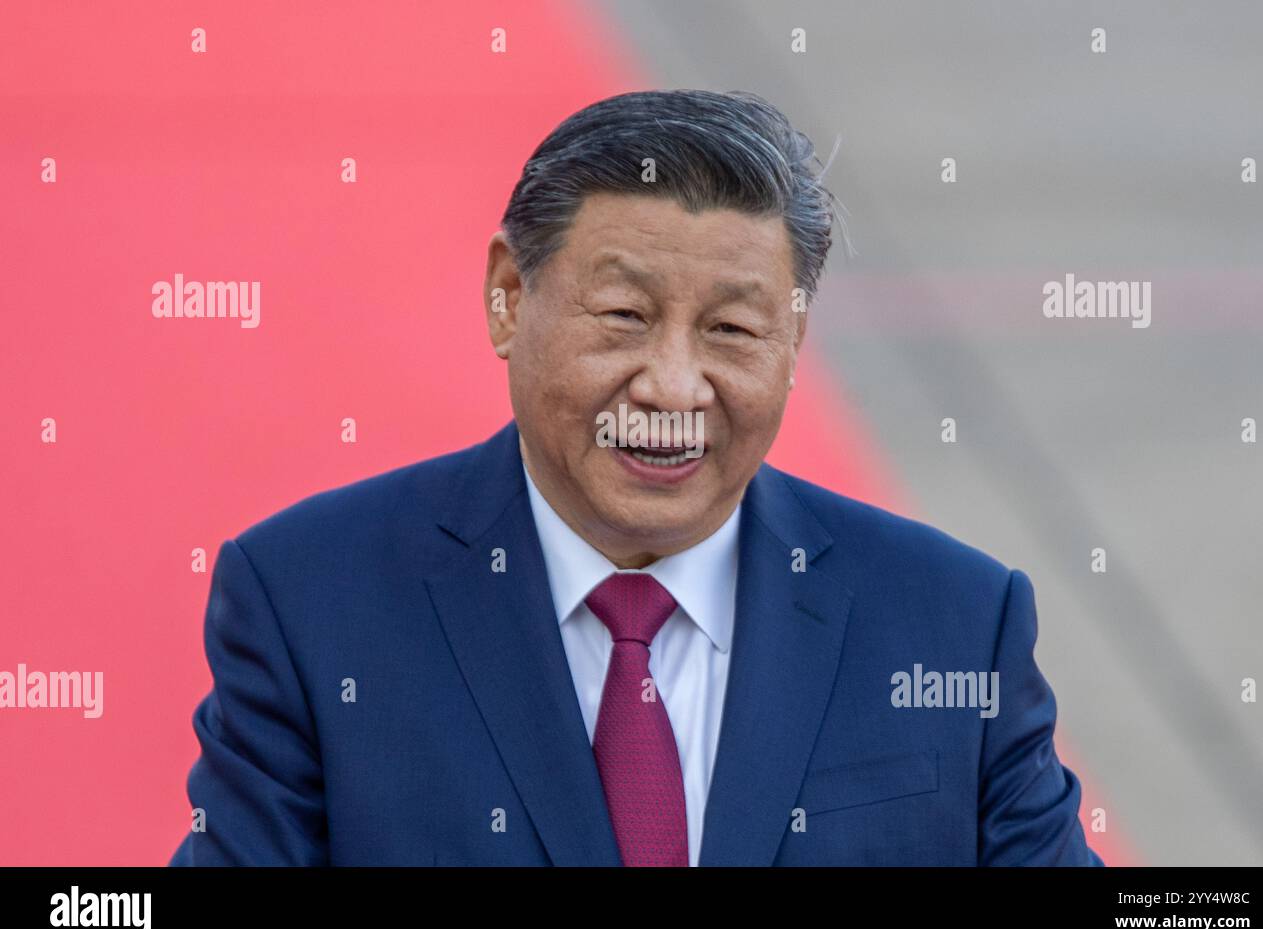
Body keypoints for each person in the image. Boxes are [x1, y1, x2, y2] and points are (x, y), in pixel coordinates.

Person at [169, 89, 1103, 866]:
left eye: (732, 330)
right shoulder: (312, 603)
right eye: (622, 314)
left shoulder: (953, 620)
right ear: (508, 298)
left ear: (793, 346)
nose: (671, 384)